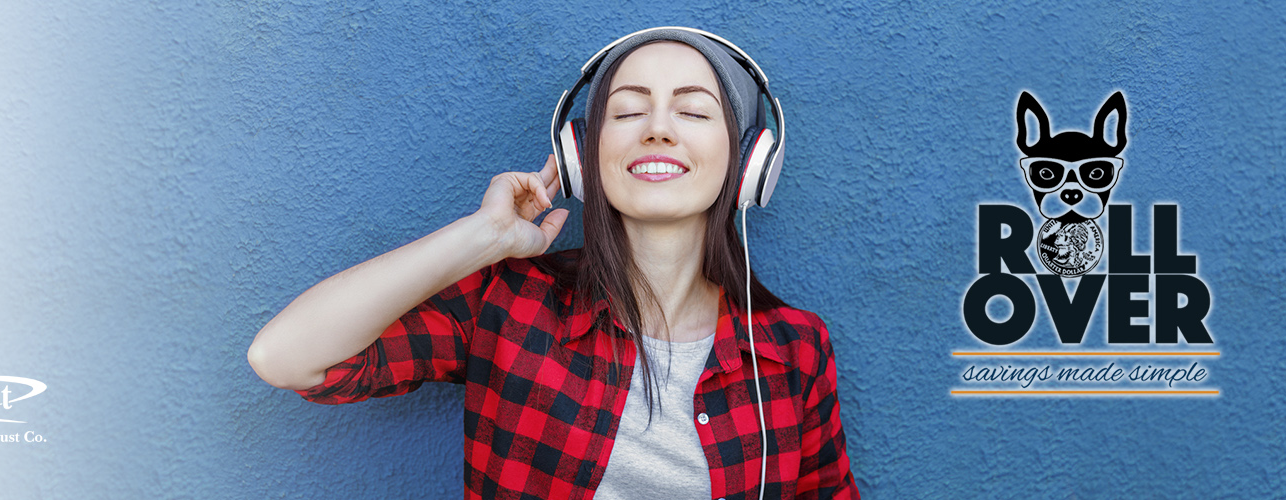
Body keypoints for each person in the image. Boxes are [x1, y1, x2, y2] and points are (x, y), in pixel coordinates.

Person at [248, 27, 859, 499]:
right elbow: (285, 357)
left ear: (749, 160)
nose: (657, 130)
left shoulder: (795, 351)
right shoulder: (509, 302)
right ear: (581, 155)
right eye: (628, 111)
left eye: (693, 112)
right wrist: (482, 237)